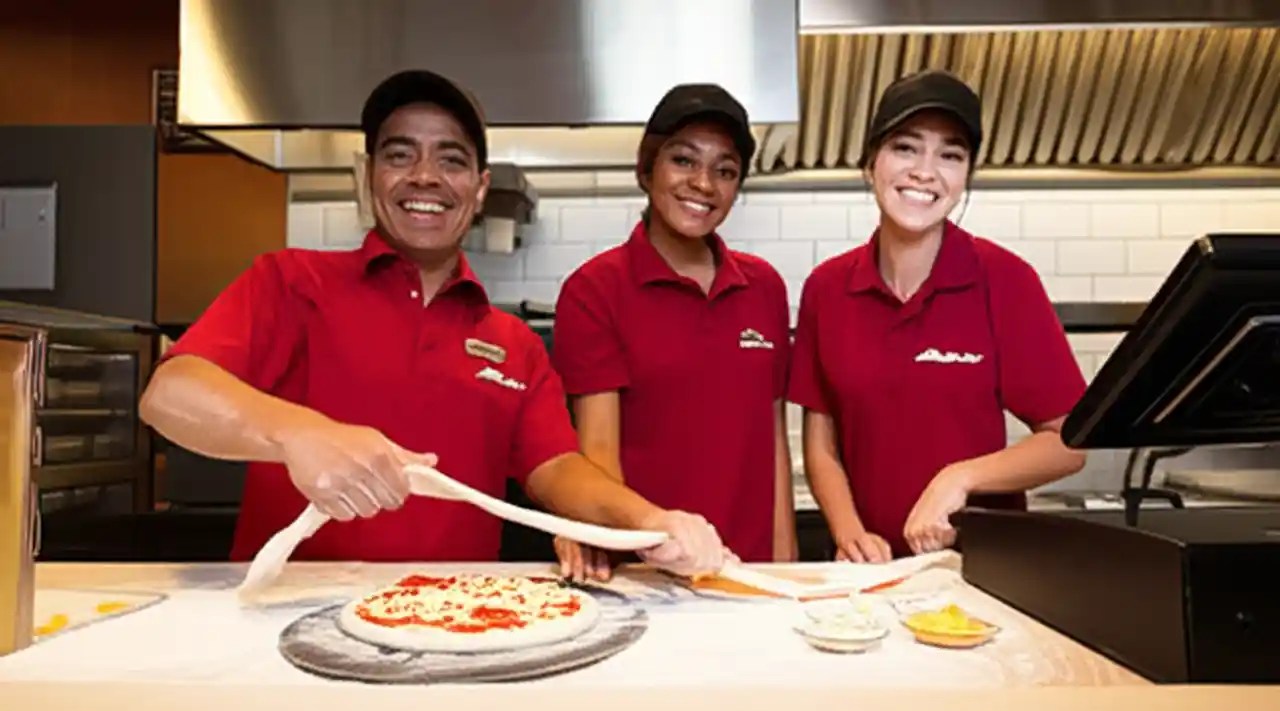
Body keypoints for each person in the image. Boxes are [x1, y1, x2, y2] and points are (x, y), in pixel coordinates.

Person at [138, 69, 730, 579]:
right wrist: (297, 433)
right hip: (288, 618)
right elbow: (170, 394)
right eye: (400, 155)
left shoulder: (514, 346)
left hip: (457, 622)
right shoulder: (291, 283)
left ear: (477, 191)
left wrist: (650, 522)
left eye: (451, 159)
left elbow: (557, 472)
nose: (425, 176)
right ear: (367, 175)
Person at [787, 70, 1087, 562]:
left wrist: (960, 478)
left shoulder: (1004, 280)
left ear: (965, 176)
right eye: (906, 148)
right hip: (870, 577)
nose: (925, 171)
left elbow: (1070, 442)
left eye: (950, 155)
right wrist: (849, 533)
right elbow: (822, 445)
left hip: (984, 571)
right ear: (871, 163)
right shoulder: (828, 288)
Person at [549, 84, 796, 582]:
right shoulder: (595, 290)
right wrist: (638, 551)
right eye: (684, 160)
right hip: (645, 577)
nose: (703, 184)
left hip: (749, 573)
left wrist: (788, 562)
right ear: (647, 168)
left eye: (725, 170)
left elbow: (772, 439)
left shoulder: (763, 286)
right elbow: (599, 453)